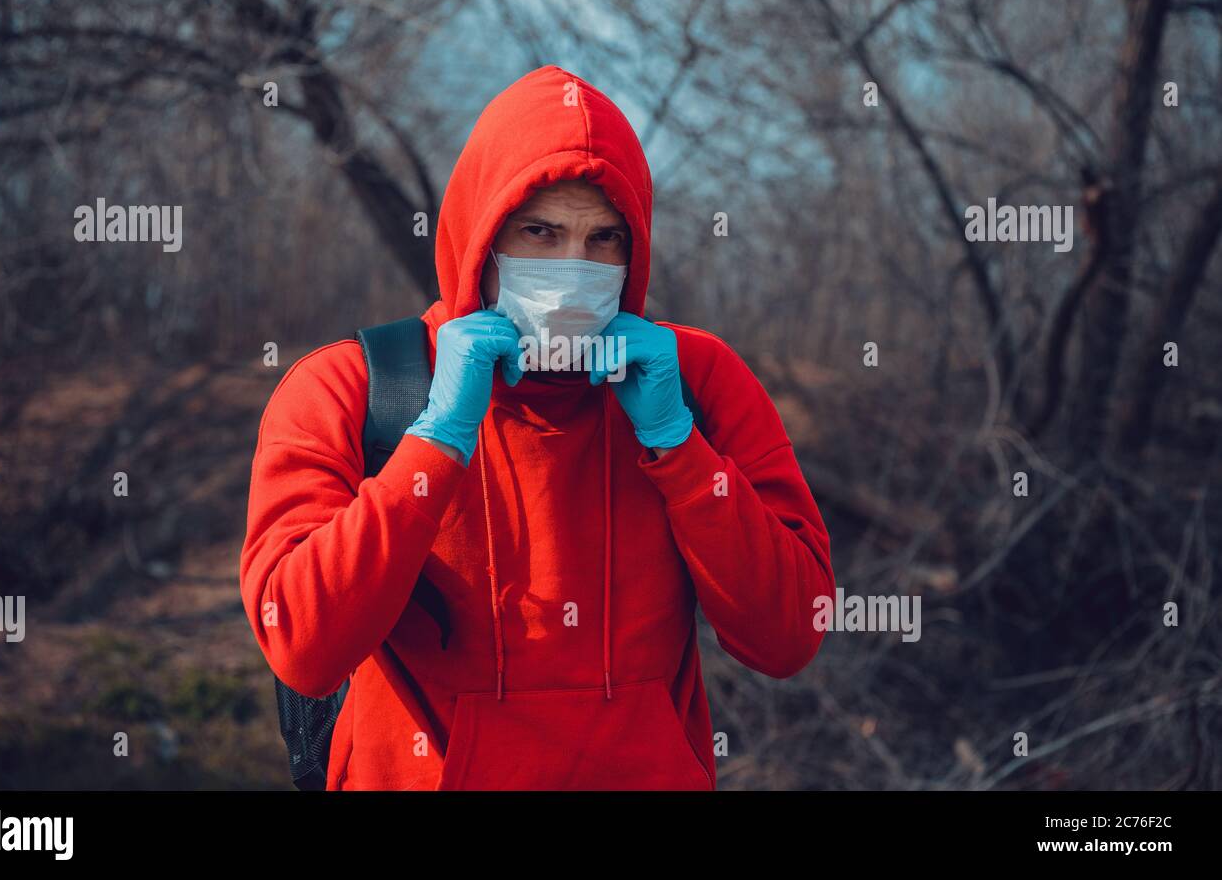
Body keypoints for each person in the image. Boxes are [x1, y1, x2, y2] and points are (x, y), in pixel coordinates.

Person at [239, 64, 833, 790]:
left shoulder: (698, 379)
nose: (570, 267)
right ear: (481, 238)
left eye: (602, 238)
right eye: (540, 232)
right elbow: (303, 645)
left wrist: (680, 450)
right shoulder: (355, 386)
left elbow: (790, 635)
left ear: (634, 248)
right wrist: (435, 442)